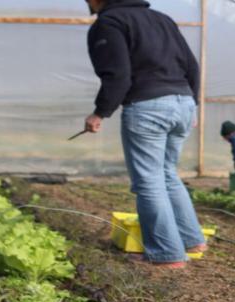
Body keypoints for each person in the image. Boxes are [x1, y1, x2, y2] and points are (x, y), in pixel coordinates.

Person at [81, 0, 205, 269]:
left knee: (149, 181)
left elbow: (118, 75)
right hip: (182, 102)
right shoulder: (162, 19)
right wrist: (192, 105)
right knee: (168, 174)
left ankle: (167, 254)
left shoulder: (110, 23)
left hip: (148, 106)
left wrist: (100, 113)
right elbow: (192, 67)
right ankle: (192, 240)